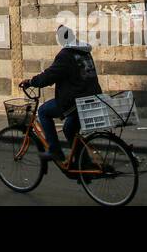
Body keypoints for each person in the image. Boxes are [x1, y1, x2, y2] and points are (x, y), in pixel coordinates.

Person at [22, 26, 102, 164]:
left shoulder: (66, 54)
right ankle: (84, 166)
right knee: (69, 129)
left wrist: (31, 82)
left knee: (43, 111)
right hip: (91, 97)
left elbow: (50, 75)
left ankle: (55, 151)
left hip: (75, 101)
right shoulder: (84, 52)